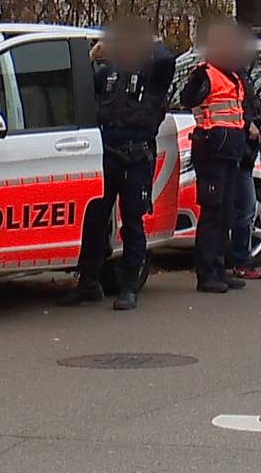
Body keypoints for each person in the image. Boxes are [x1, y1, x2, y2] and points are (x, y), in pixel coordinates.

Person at [58, 17, 176, 311]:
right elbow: (79, 87)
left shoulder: (153, 73)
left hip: (136, 155)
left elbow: (166, 59)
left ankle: (129, 286)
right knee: (96, 217)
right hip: (106, 152)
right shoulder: (108, 72)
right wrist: (92, 55)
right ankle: (88, 281)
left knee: (132, 221)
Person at [178, 18, 254, 293]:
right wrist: (197, 81)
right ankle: (207, 273)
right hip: (211, 151)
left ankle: (220, 267)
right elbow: (187, 100)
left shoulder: (232, 74)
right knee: (212, 214)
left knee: (225, 213)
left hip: (230, 152)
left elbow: (239, 112)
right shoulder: (206, 73)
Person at [227, 59, 261, 280]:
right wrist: (247, 124)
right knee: (243, 209)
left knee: (245, 209)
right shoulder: (223, 73)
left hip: (245, 154)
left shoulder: (241, 72)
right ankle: (240, 261)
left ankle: (238, 260)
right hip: (233, 153)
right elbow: (230, 107)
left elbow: (254, 103)